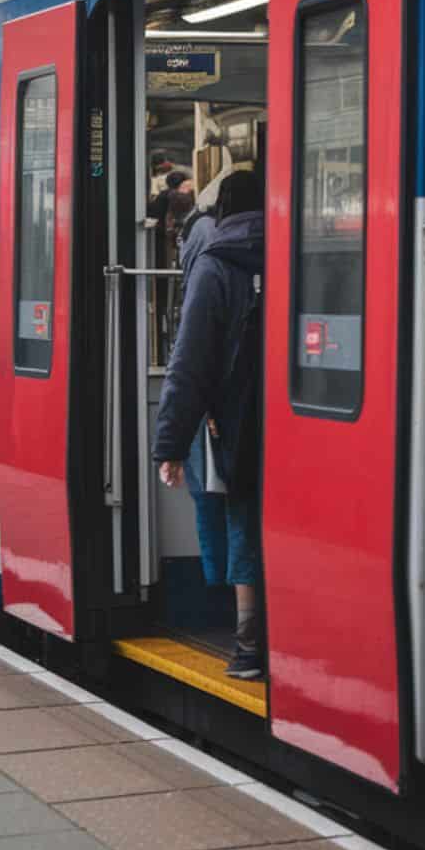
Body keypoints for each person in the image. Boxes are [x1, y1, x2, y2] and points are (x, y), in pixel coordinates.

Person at [152, 168, 267, 679]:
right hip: (306, 411)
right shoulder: (301, 249)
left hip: (240, 416)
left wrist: (170, 445)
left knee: (243, 517)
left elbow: (190, 362)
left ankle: (248, 647)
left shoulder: (215, 265)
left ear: (220, 213)